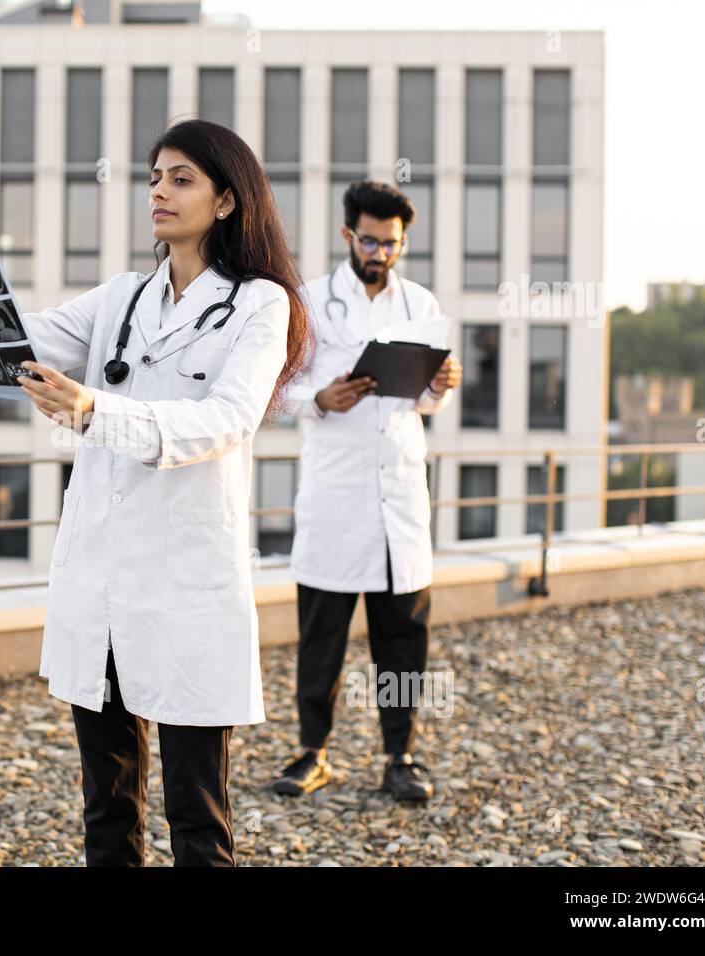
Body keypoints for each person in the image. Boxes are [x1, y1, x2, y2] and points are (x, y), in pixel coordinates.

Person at [0, 120, 311, 865]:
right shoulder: (122, 298)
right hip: (101, 584)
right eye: (155, 176)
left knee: (198, 816)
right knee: (107, 807)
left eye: (182, 178)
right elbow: (9, 345)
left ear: (228, 201)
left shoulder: (260, 304)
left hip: (186, 585)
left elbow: (224, 421)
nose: (159, 190)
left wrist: (95, 410)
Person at [272, 179, 462, 802]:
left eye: (392, 243)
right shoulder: (309, 302)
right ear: (348, 234)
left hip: (400, 497)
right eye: (370, 240)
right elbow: (276, 389)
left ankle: (399, 756)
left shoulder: (421, 304)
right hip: (336, 495)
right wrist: (319, 398)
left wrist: (442, 383)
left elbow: (424, 400)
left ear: (403, 242)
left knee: (401, 639)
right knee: (322, 634)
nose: (380, 252)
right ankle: (312, 752)